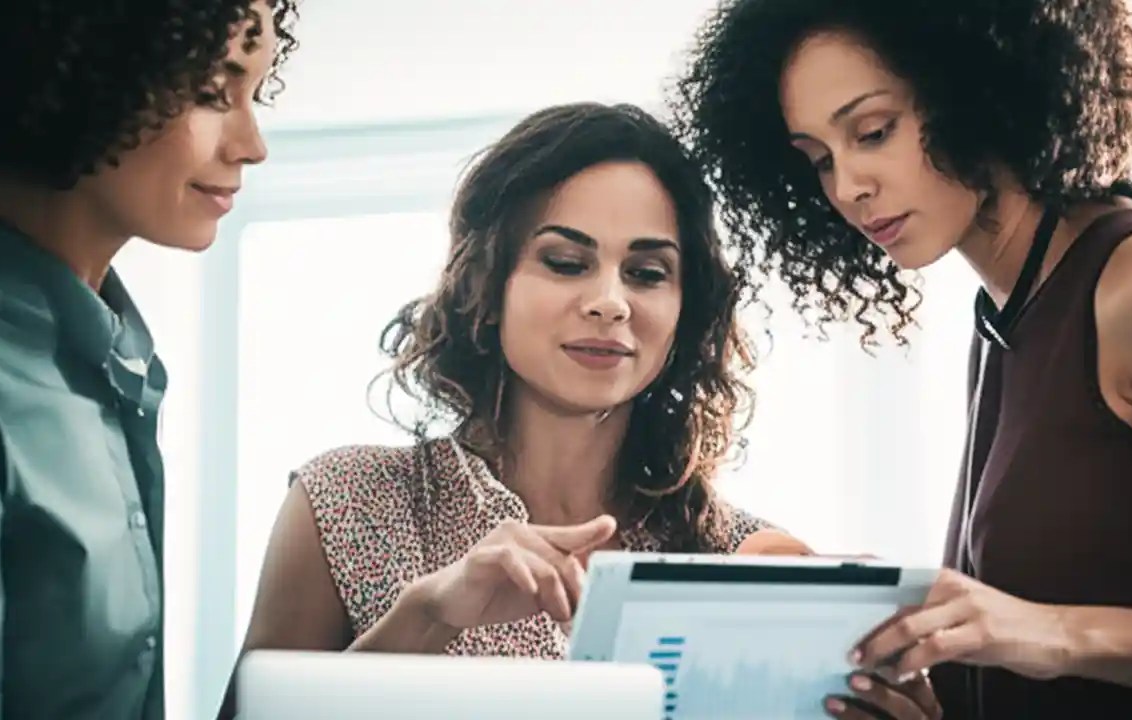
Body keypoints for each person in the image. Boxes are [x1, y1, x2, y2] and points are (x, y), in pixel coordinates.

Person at [218, 102, 930, 719]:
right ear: (487, 288)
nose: (611, 301)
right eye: (566, 262)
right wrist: (428, 616)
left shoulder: (746, 563)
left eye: (648, 273)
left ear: (685, 316)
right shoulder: (345, 502)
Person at [671, 0, 1132, 718]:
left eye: (873, 131)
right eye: (818, 161)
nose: (847, 188)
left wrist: (1055, 633)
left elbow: (1046, 635)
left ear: (975, 88)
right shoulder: (1008, 317)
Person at [0, 1, 299, 718]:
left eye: (254, 95)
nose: (252, 143)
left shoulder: (108, 361)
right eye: (213, 92)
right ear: (83, 71)